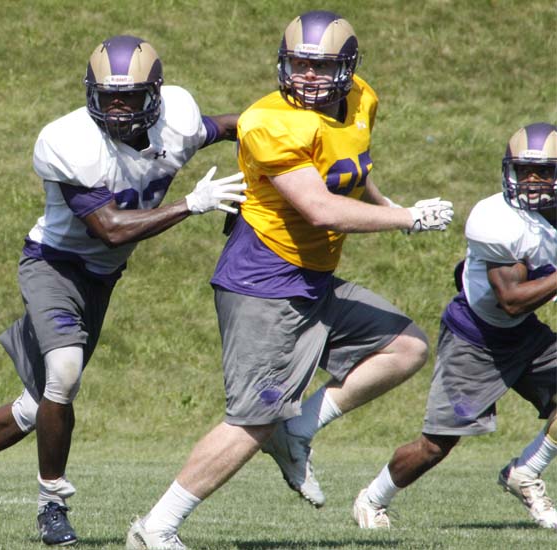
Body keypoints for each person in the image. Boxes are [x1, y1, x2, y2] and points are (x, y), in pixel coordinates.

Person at [126, 11, 455, 549]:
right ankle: (157, 527)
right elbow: (321, 208)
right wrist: (408, 217)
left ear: (348, 70)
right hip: (264, 282)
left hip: (313, 278)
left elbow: (351, 166)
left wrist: (384, 202)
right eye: (298, 63)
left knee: (405, 347)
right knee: (252, 419)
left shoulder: (361, 99)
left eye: (320, 65)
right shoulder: (269, 121)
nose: (306, 75)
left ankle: (298, 428)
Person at [0, 35, 246, 547]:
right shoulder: (69, 142)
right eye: (107, 96)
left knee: (37, 405)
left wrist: (277, 131)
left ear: (153, 95)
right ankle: (51, 505)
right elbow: (109, 227)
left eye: (128, 97)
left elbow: (223, 128)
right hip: (55, 265)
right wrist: (190, 206)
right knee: (63, 376)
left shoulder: (177, 120)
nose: (117, 108)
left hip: (101, 278)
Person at [353, 122, 557, 530]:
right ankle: (371, 499)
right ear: (508, 170)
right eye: (523, 171)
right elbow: (512, 300)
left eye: (544, 172)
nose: (532, 182)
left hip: (524, 336)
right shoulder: (496, 217)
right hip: (477, 337)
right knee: (435, 446)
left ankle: (526, 473)